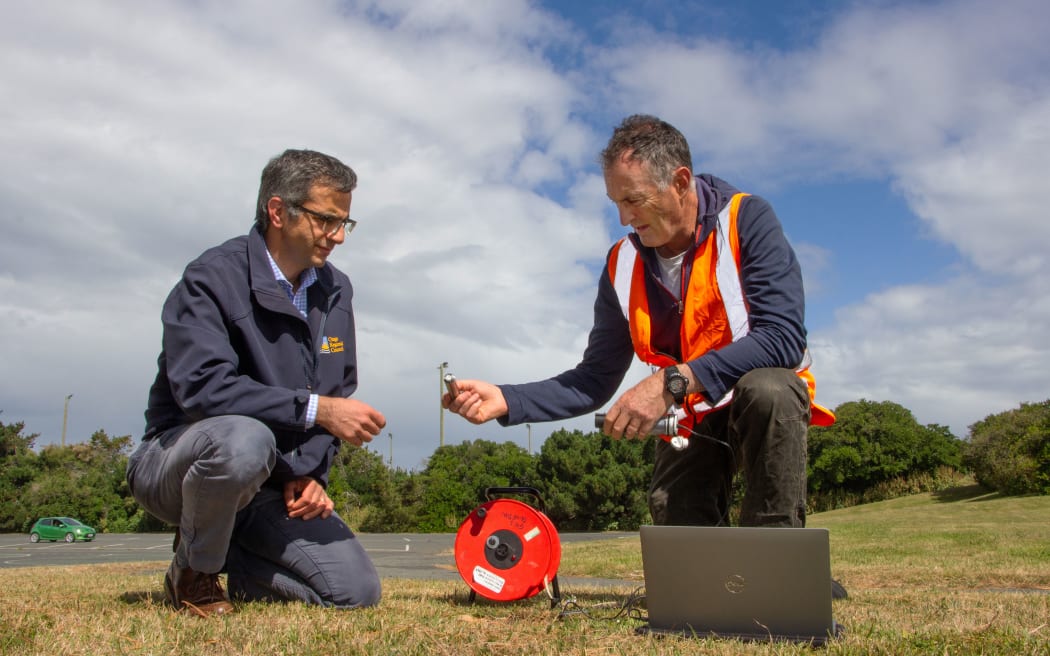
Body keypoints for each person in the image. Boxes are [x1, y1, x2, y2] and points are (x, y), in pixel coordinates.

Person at [445, 114, 835, 530]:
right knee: (679, 535)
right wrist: (507, 399)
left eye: (633, 200)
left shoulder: (747, 220)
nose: (623, 218)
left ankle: (777, 563)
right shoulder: (620, 263)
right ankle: (715, 584)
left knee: (770, 389)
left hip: (755, 402)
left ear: (680, 182)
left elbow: (783, 338)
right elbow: (594, 378)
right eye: (616, 202)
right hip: (691, 418)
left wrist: (669, 383)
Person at [127, 149, 385, 617]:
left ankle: (224, 550)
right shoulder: (211, 277)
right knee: (244, 439)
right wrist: (319, 410)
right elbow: (203, 389)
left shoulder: (336, 289)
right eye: (326, 219)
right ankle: (194, 573)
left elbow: (336, 387)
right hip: (179, 462)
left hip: (274, 478)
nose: (339, 237)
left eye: (346, 223)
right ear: (277, 211)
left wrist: (310, 475)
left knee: (355, 592)